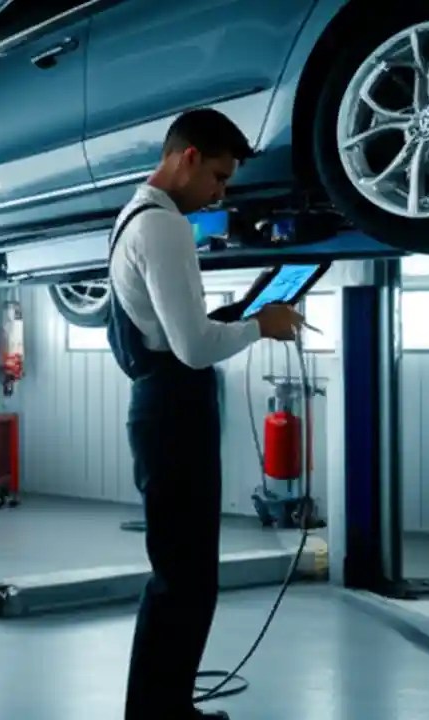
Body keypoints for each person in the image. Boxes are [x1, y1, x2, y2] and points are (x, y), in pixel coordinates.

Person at [106, 108, 304, 720]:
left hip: (163, 405)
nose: (222, 193)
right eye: (218, 176)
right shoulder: (164, 228)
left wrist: (233, 319)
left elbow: (172, 335)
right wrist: (259, 324)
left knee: (181, 576)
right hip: (173, 411)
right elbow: (191, 348)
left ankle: (165, 710)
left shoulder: (133, 217)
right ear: (187, 157)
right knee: (184, 580)